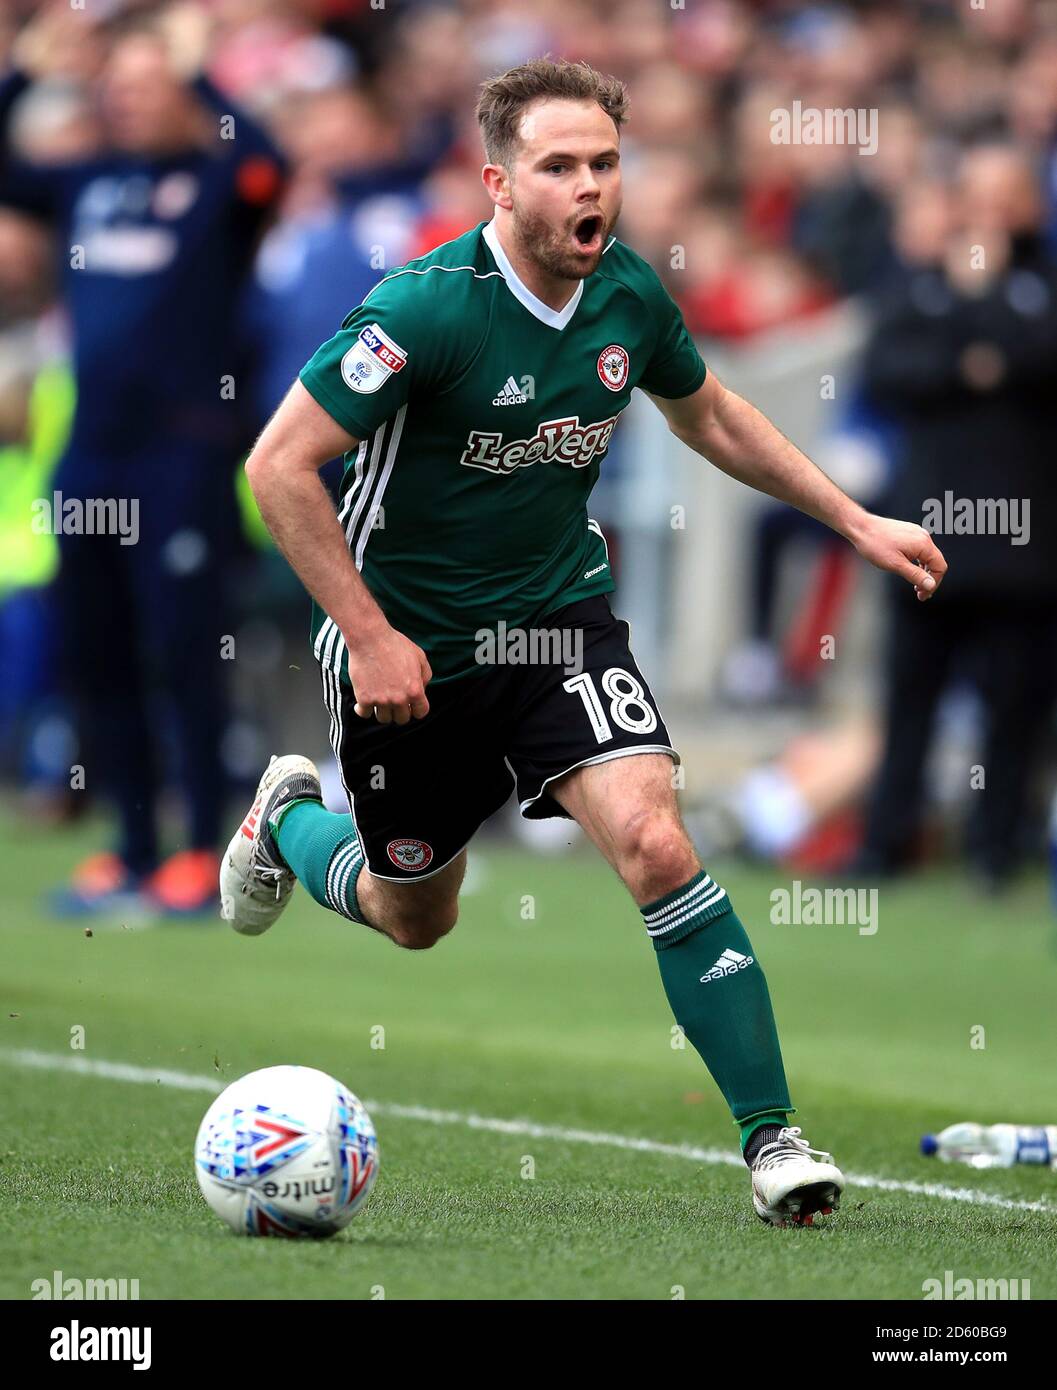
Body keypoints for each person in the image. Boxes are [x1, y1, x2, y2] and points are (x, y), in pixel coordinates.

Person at [221, 59, 946, 1227]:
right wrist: (370, 635)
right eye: (560, 166)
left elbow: (706, 410)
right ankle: (288, 823)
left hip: (557, 624)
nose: (589, 185)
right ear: (500, 183)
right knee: (416, 915)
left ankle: (775, 1143)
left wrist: (851, 518)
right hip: (413, 654)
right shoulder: (423, 306)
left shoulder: (627, 296)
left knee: (657, 843)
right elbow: (276, 465)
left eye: (604, 162)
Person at [0, 9, 284, 914]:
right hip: (90, 458)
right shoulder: (86, 179)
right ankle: (129, 849)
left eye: (146, 82)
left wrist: (199, 77)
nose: (127, 97)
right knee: (99, 655)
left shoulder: (217, 182)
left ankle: (201, 847)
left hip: (183, 458)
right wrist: (23, 71)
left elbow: (270, 160)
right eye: (116, 84)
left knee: (184, 653)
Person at [858, 145, 1057, 888]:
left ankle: (996, 853)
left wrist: (983, 316)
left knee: (1014, 710)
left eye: (1005, 191)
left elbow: (1041, 360)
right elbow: (887, 369)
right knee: (908, 700)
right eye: (976, 192)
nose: (990, 209)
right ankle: (884, 845)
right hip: (927, 535)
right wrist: (973, 359)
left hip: (1021, 547)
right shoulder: (918, 285)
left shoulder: (1040, 284)